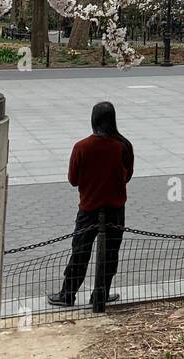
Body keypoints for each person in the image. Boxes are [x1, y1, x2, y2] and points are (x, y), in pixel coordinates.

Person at [48, 102, 134, 309]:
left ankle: (67, 294)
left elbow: (73, 179)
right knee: (110, 255)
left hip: (88, 209)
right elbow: (127, 177)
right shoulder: (123, 145)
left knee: (80, 253)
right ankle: (100, 295)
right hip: (115, 210)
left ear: (93, 120)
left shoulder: (81, 147)